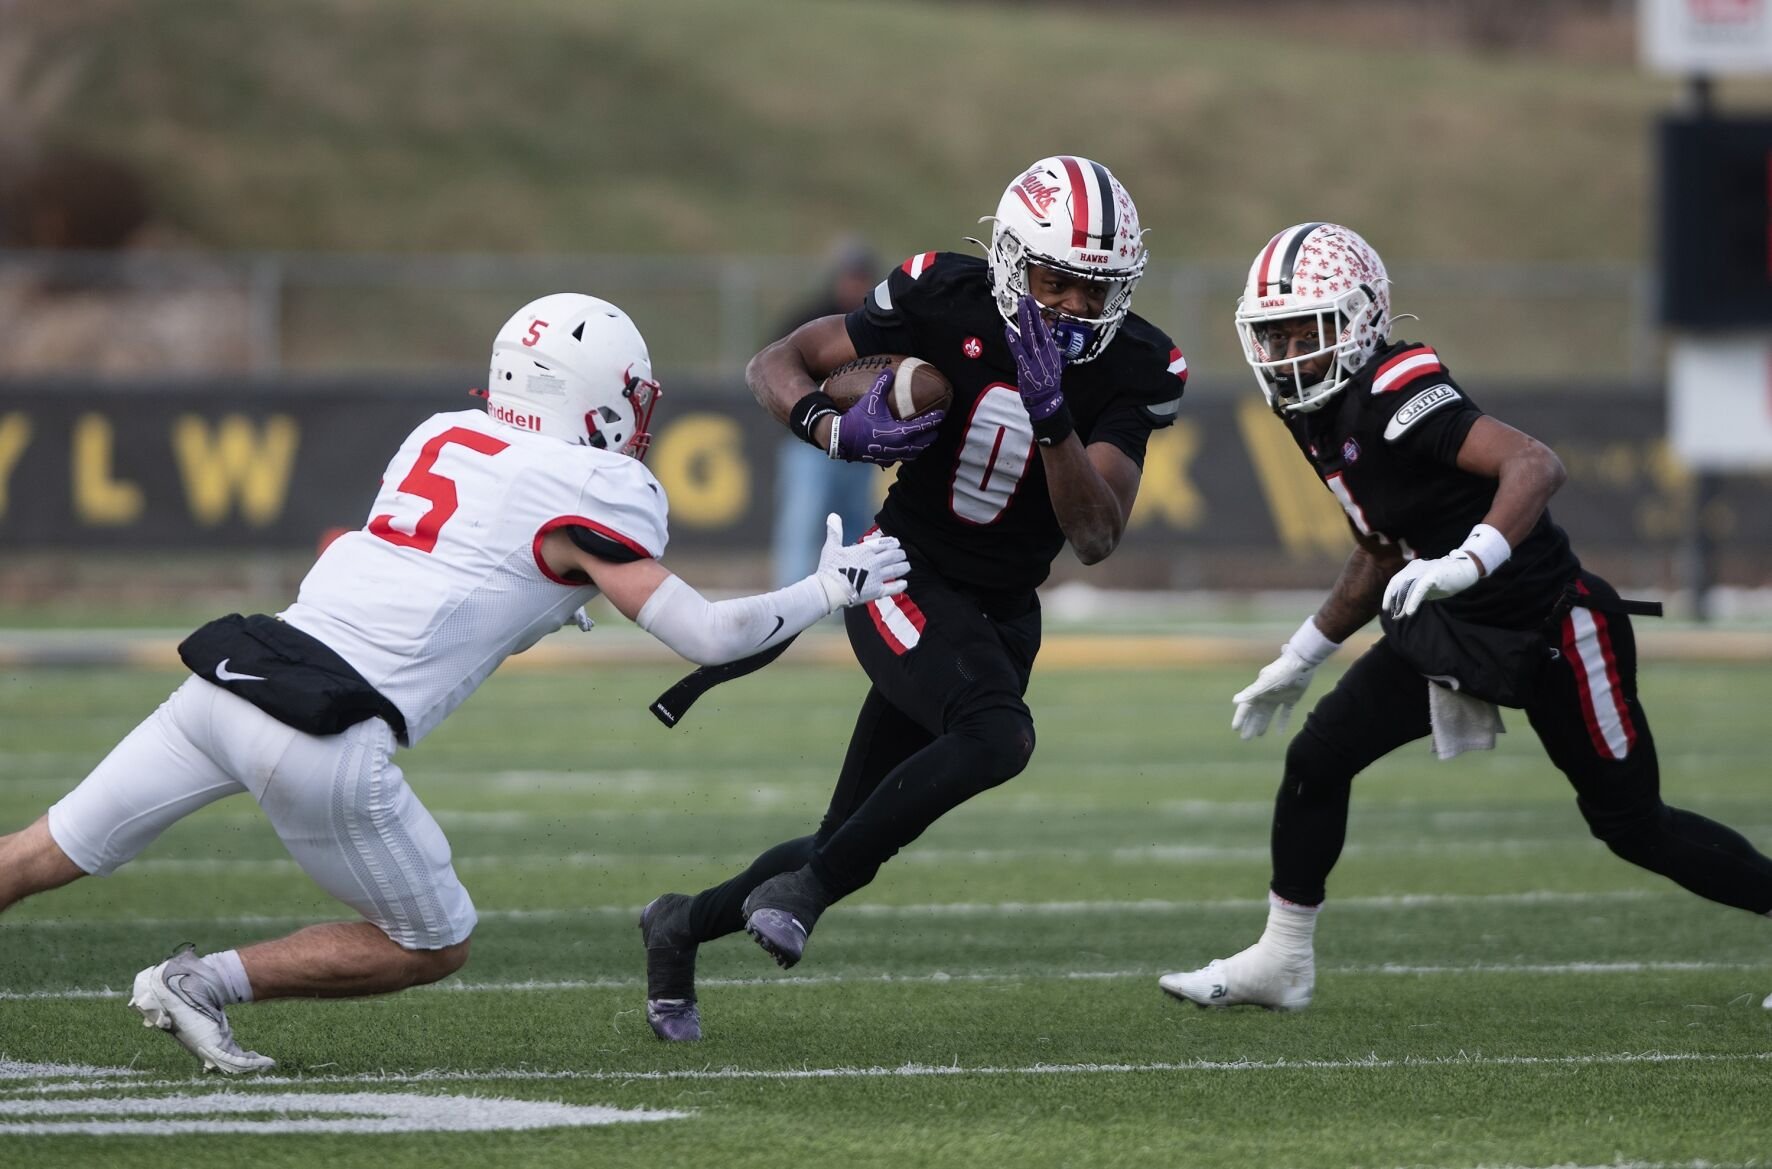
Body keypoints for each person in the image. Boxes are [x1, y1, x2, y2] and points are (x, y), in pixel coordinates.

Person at [0, 293, 909, 1073]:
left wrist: (546, 603)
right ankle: (200, 982)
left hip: (231, 677)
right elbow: (706, 635)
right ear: (594, 396)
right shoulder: (593, 485)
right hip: (322, 730)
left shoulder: (443, 434)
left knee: (40, 850)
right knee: (433, 940)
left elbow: (451, 568)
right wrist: (827, 589)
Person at [638, 156, 1189, 1042]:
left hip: (1003, 607)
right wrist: (826, 425)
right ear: (1011, 263)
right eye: (1056, 282)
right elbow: (779, 360)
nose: (1076, 307)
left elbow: (1095, 533)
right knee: (997, 735)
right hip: (900, 570)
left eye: (1097, 288)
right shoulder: (944, 293)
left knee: (847, 835)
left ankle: (679, 924)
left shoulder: (1139, 362)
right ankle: (806, 895)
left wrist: (1053, 418)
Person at [1157, 222, 1772, 1012]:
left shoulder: (1396, 390)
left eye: (1308, 332)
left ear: (1361, 323)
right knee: (1318, 757)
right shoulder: (1313, 410)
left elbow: (1535, 464)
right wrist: (1303, 652)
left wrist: (1470, 558)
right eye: (1275, 335)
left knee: (1633, 825)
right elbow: (1381, 547)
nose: (1290, 354)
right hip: (1449, 629)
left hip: (1552, 629)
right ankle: (1282, 960)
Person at [771, 237, 884, 587]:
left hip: (859, 447)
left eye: (861, 277)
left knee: (855, 528)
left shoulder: (879, 324)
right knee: (803, 523)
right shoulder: (811, 319)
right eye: (851, 276)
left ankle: (850, 603)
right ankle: (790, 601)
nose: (855, 284)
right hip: (812, 444)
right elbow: (774, 369)